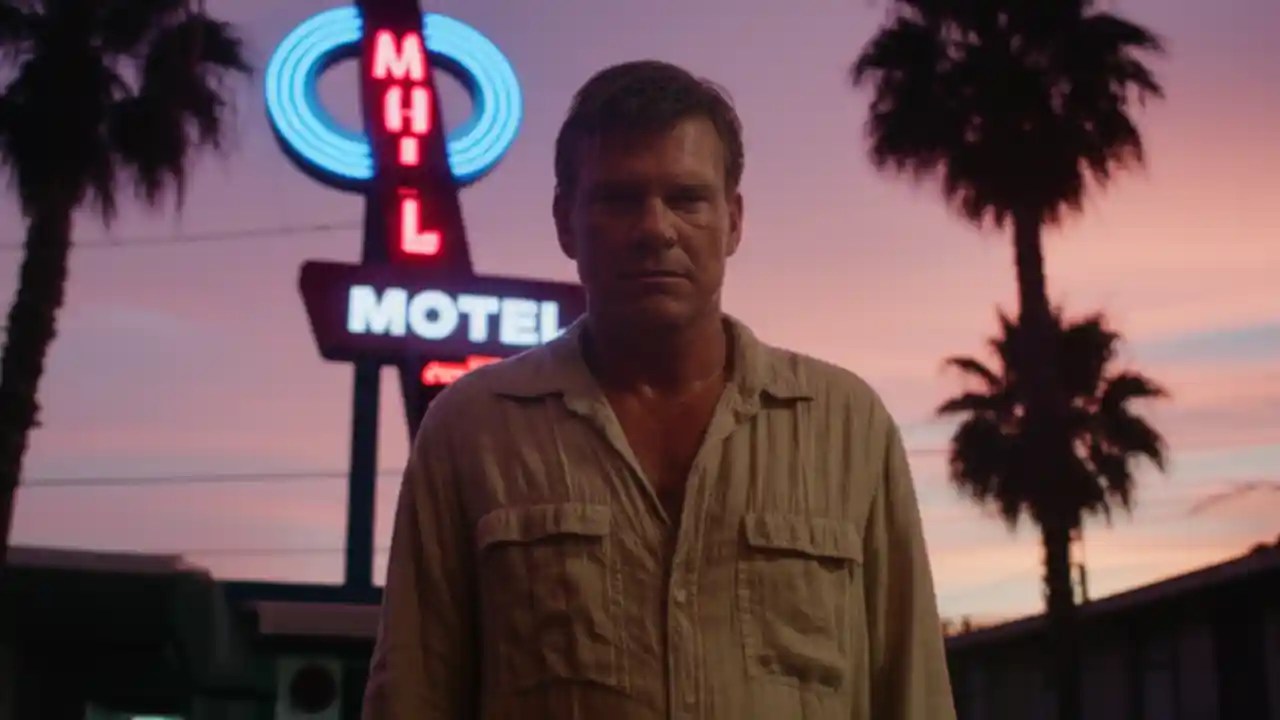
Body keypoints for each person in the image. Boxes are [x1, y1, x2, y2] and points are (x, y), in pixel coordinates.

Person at [362, 59, 956, 720]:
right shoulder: (472, 430)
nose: (655, 229)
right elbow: (414, 695)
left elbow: (914, 692)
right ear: (565, 222)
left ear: (732, 220)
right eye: (619, 199)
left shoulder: (847, 425)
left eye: (686, 198)